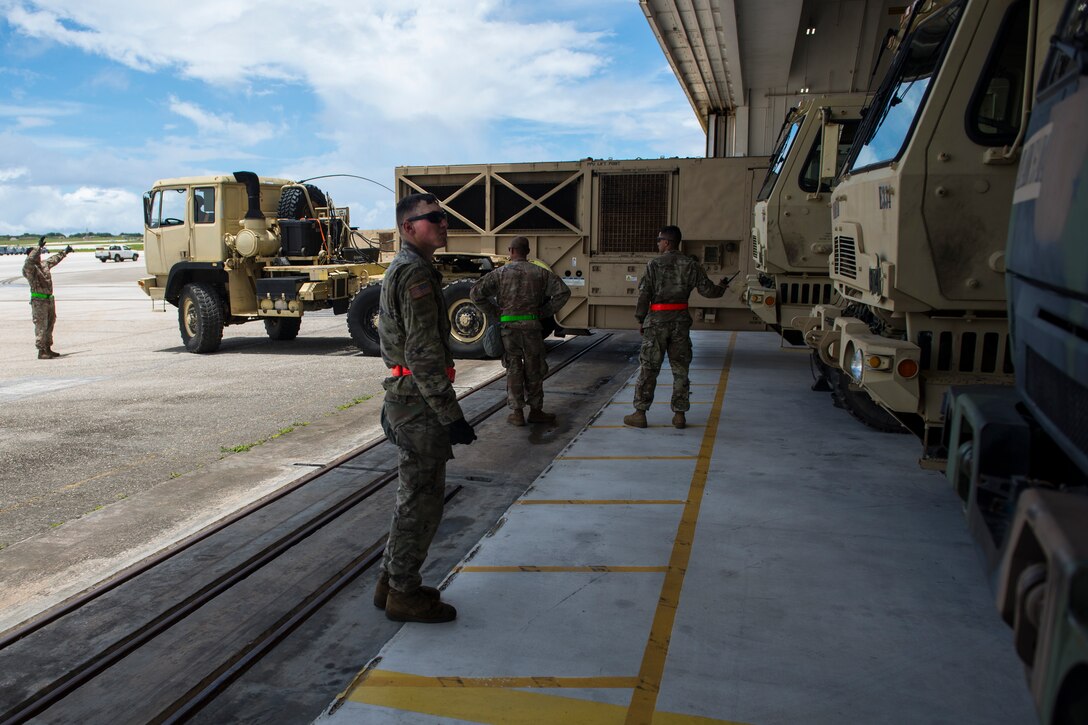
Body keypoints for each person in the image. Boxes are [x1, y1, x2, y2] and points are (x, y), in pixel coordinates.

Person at [374, 193, 477, 623]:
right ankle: (403, 593)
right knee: (423, 501)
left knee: (412, 496)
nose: (443, 223)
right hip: (418, 403)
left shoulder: (410, 266)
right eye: (433, 218)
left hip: (407, 397)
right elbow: (422, 354)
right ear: (408, 227)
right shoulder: (414, 271)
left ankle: (390, 581)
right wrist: (451, 416)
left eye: (444, 217)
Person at [623, 225, 728, 429]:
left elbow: (644, 295)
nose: (658, 244)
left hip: (657, 322)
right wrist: (722, 286)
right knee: (680, 369)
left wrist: (640, 319)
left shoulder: (654, 264)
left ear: (667, 242)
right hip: (680, 323)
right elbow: (709, 292)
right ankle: (679, 415)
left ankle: (640, 413)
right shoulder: (691, 265)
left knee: (649, 368)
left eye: (659, 240)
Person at [470, 236, 571, 426]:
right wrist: (544, 312)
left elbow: (475, 294)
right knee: (534, 368)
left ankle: (517, 413)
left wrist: (495, 312)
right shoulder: (540, 273)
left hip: (509, 329)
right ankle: (536, 411)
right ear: (528, 252)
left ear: (510, 251)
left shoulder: (499, 273)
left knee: (513, 368)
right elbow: (563, 292)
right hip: (532, 328)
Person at [23, 236, 73, 359]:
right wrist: (38, 247)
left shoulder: (43, 265)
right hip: (38, 301)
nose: (38, 256)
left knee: (50, 324)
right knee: (41, 325)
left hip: (49, 299)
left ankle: (48, 348)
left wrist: (65, 252)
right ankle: (41, 351)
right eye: (36, 254)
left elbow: (53, 259)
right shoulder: (29, 269)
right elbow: (29, 261)